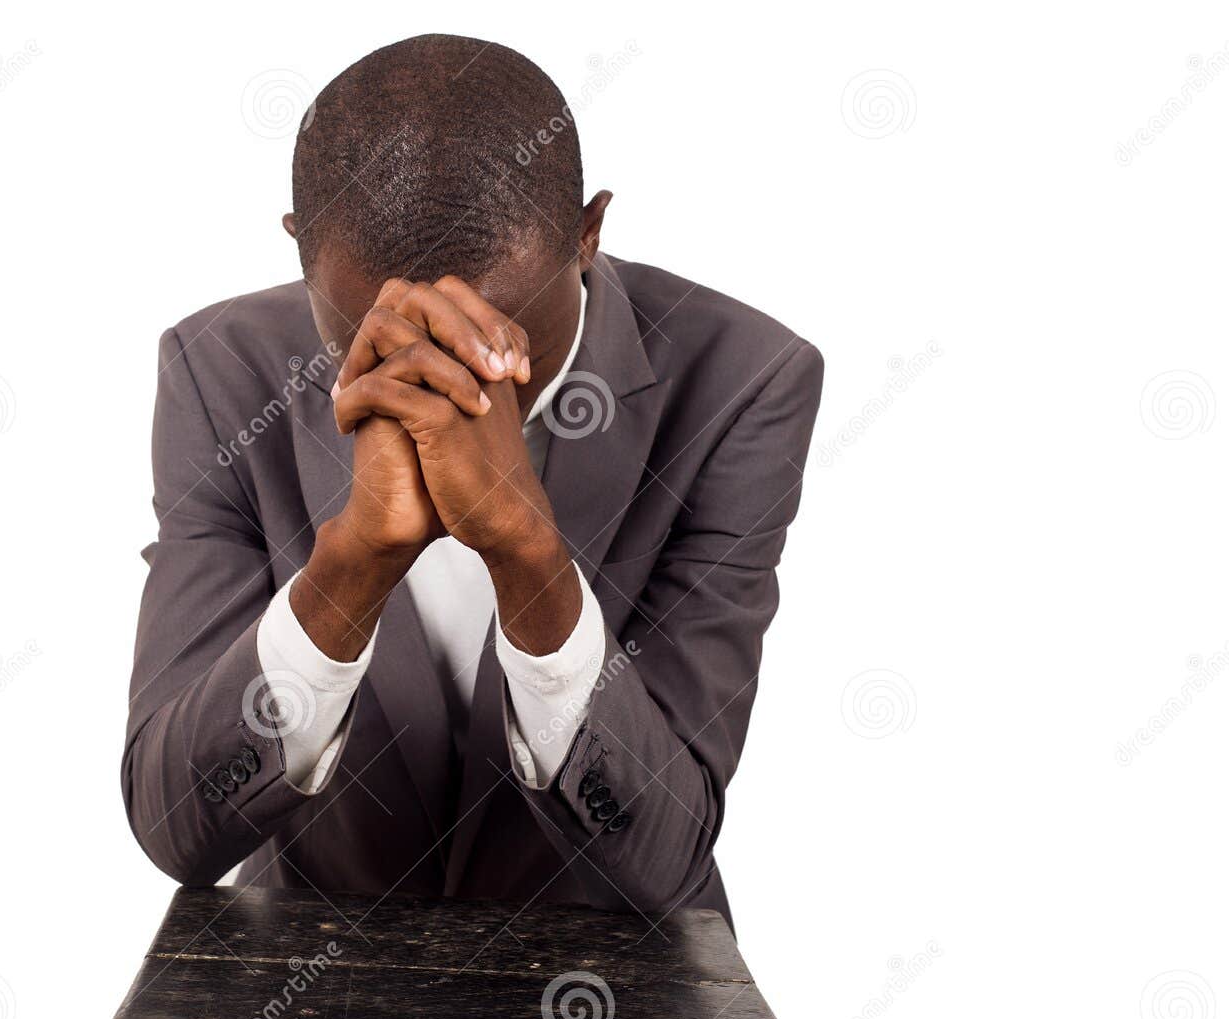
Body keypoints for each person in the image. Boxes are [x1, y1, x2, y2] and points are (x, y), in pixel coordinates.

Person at [122, 33, 823, 928]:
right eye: (376, 338)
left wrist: (528, 553)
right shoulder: (222, 372)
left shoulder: (742, 381)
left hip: (614, 1013)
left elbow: (665, 850)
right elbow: (177, 828)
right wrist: (352, 564)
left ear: (589, 234)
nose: (442, 374)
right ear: (301, 252)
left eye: (496, 341)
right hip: (312, 1012)